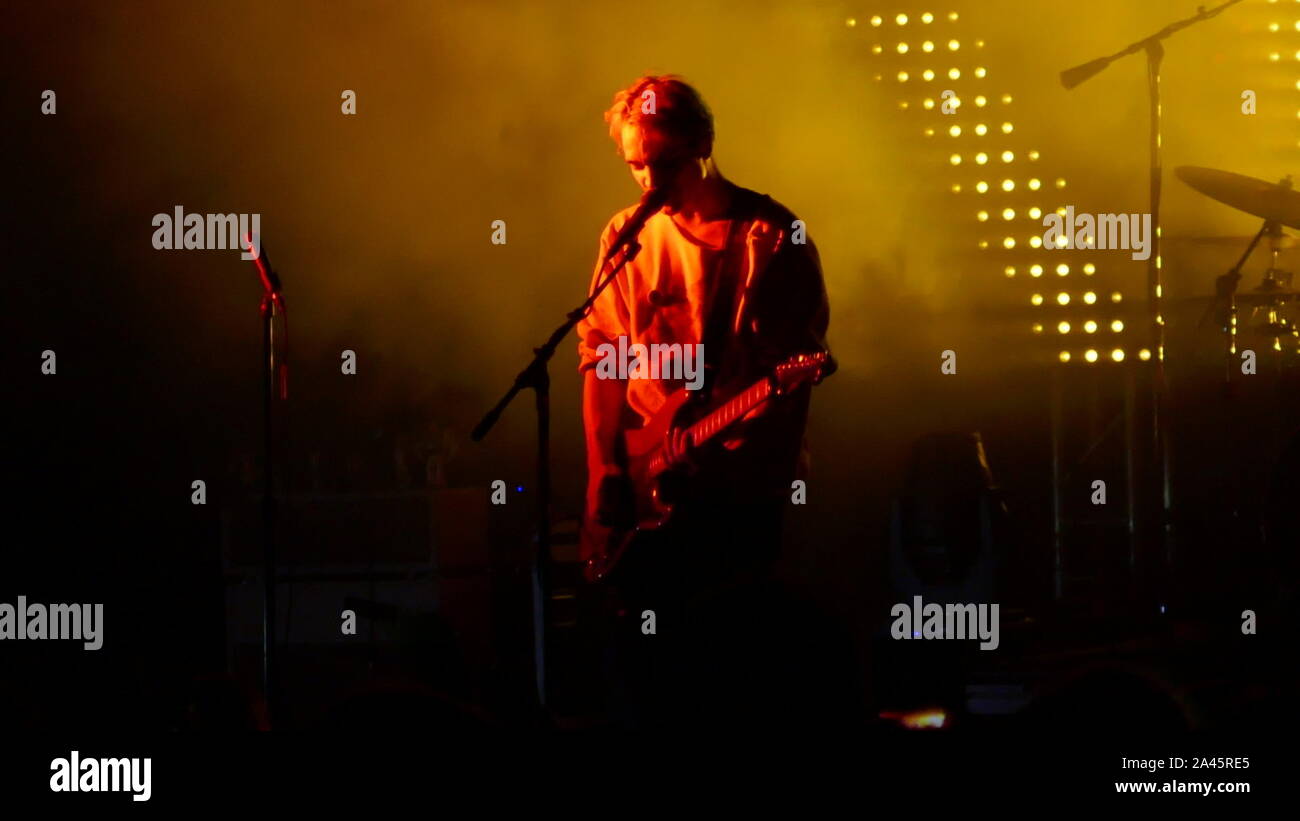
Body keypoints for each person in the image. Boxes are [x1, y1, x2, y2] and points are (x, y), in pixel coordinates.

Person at [575, 75, 833, 726]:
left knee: (731, 671)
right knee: (645, 674)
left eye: (662, 164)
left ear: (703, 146)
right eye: (636, 166)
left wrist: (743, 458)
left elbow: (788, 380)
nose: (647, 182)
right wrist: (604, 473)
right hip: (644, 484)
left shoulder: (770, 237)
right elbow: (602, 357)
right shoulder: (623, 236)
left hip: (739, 497)